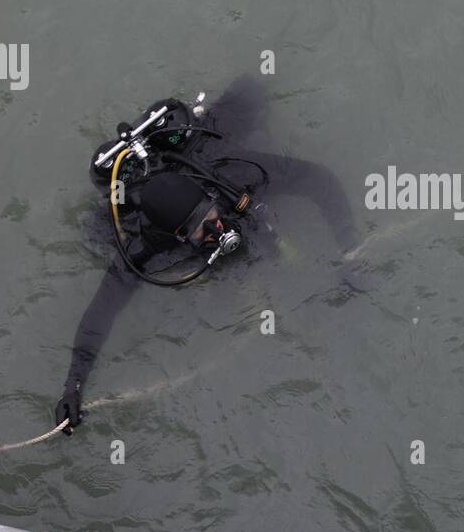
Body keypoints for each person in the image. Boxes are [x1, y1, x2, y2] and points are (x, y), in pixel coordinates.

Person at [54, 77, 362, 434]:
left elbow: (320, 180)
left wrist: (350, 250)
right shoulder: (147, 245)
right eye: (198, 228)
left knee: (252, 88)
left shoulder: (238, 175)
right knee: (95, 233)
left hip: (203, 157)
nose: (215, 229)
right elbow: (99, 314)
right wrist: (73, 386)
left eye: (209, 215)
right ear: (175, 236)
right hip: (144, 204)